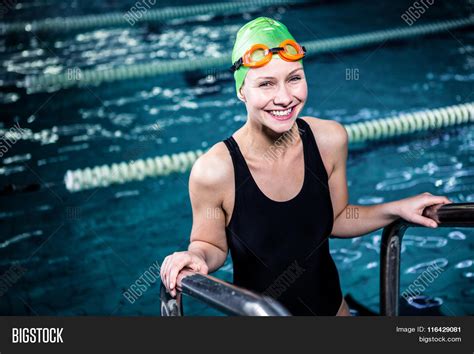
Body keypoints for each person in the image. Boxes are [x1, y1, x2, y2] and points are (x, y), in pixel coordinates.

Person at [160, 17, 452, 316]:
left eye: (294, 78)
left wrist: (397, 209)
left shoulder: (329, 139)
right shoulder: (214, 171)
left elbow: (337, 218)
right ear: (241, 91)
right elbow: (211, 245)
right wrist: (195, 255)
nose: (285, 97)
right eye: (266, 84)